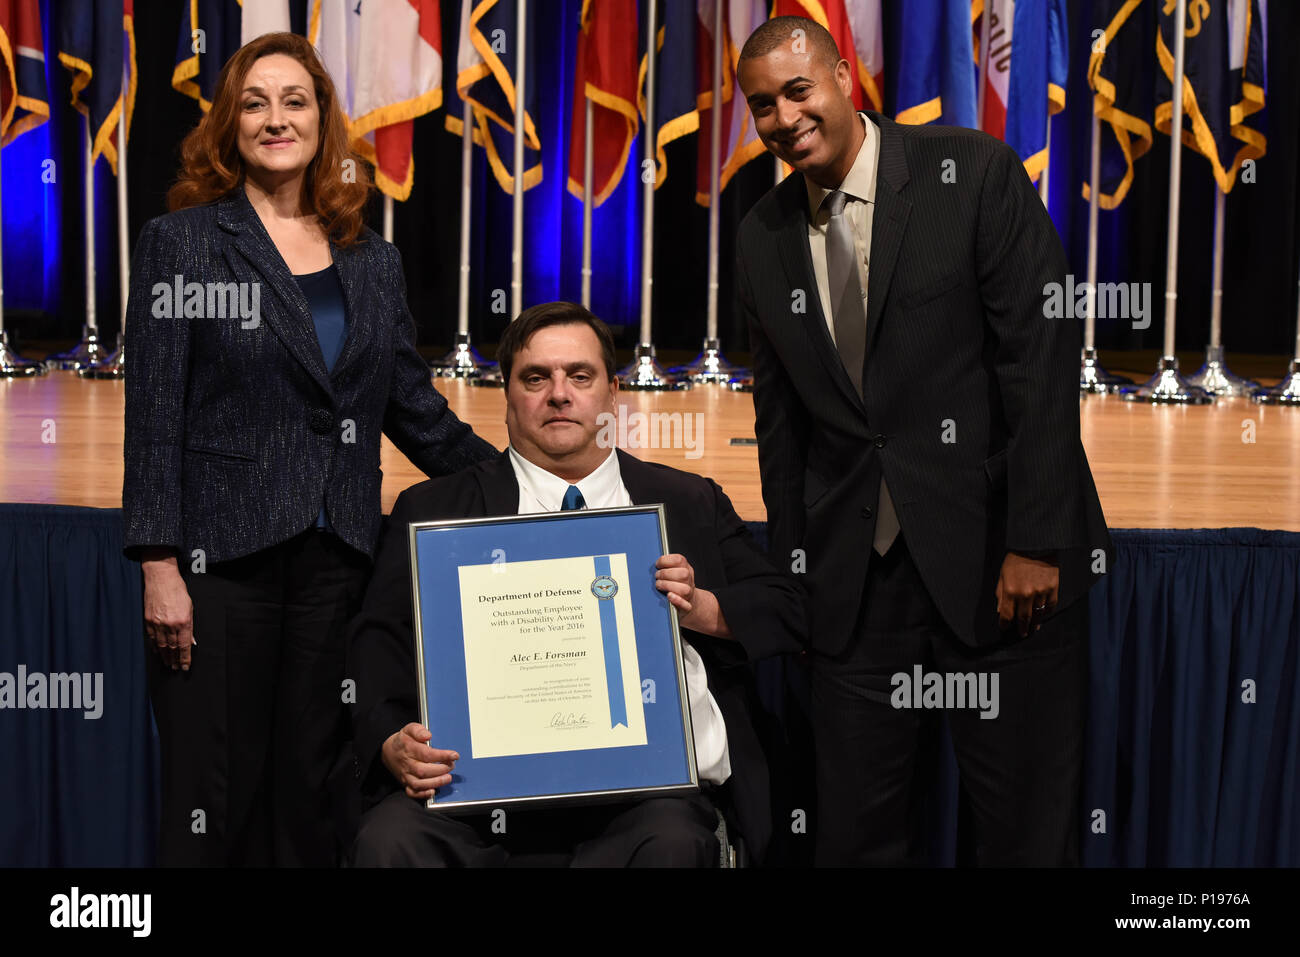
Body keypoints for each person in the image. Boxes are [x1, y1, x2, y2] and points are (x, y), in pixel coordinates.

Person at [734, 17, 1113, 865]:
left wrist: (1037, 540)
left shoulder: (971, 171)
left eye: (798, 91)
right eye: (762, 105)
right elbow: (779, 425)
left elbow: (1039, 364)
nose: (784, 117)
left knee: (1024, 839)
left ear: (843, 74)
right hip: (855, 593)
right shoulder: (760, 235)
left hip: (1003, 572)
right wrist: (799, 578)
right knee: (855, 842)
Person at [122, 32, 496, 867]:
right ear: (229, 123)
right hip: (222, 569)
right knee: (213, 800)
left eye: (295, 101)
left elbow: (413, 408)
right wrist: (157, 564)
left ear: (324, 121)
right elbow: (153, 418)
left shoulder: (372, 260)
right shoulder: (181, 244)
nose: (275, 118)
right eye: (254, 103)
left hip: (338, 564)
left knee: (315, 794)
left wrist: (522, 483)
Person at [348, 302, 805, 866]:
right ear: (507, 395)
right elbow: (375, 647)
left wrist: (701, 607)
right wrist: (394, 742)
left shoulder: (687, 501)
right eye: (535, 378)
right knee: (389, 840)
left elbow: (787, 609)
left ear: (611, 394)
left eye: (579, 376)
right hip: (473, 798)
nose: (559, 394)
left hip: (638, 799)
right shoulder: (434, 511)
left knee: (674, 841)